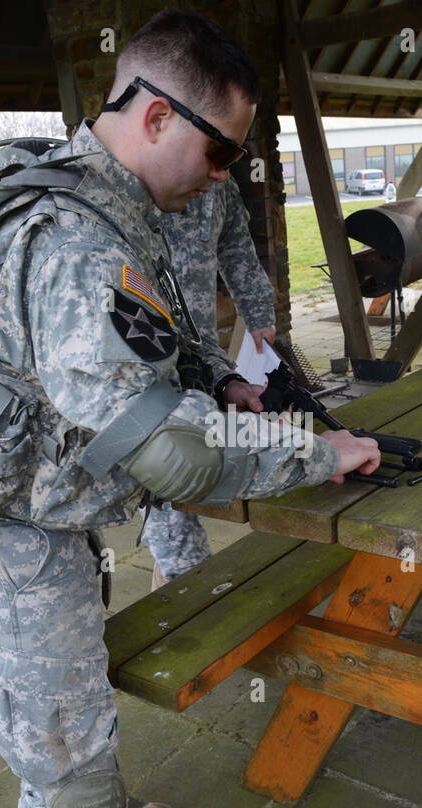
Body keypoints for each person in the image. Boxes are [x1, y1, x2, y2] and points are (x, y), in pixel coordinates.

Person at [0, 10, 380, 808]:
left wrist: (218, 381)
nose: (222, 176)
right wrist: (320, 452)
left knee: (54, 745)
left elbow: (133, 351)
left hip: (18, 525)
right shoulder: (77, 239)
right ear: (157, 115)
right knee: (74, 770)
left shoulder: (85, 197)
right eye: (220, 152)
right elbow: (171, 455)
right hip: (6, 550)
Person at [144, 174, 278, 588]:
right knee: (166, 473)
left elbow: (236, 244)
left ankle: (181, 584)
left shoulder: (219, 184)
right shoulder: (127, 182)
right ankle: (192, 590)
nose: (218, 166)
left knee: (191, 466)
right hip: (146, 358)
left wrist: (258, 312)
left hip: (199, 354)